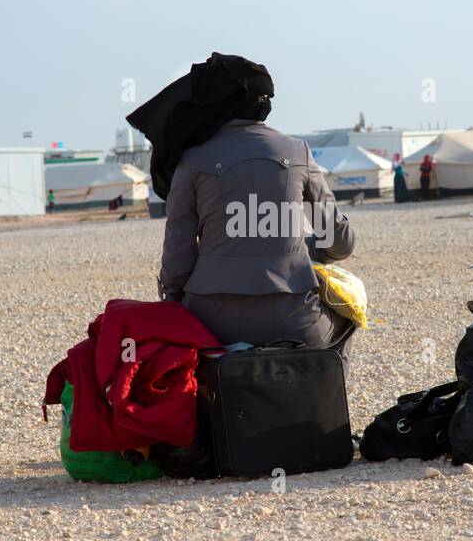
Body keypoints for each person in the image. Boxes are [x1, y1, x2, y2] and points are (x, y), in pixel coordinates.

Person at [133, 53, 357, 368]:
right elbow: (340, 242)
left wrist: (175, 303)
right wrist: (307, 250)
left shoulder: (193, 161)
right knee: (349, 318)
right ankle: (326, 405)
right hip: (293, 317)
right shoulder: (297, 151)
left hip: (211, 321)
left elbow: (177, 257)